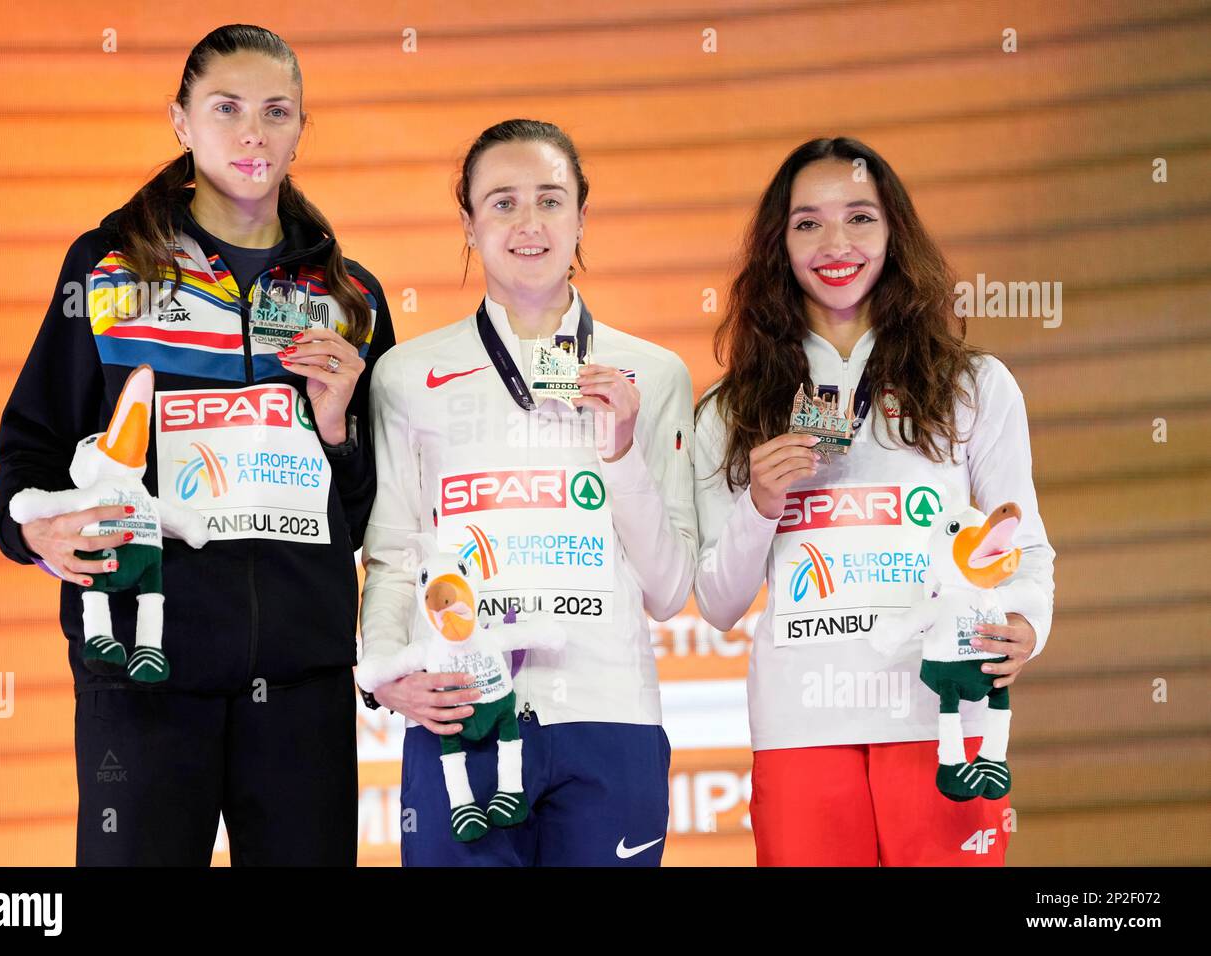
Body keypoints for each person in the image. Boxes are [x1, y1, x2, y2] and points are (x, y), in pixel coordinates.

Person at [0, 24, 395, 866]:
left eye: (277, 112)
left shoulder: (351, 296)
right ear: (180, 121)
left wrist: (336, 426)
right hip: (143, 670)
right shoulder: (105, 267)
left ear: (301, 129)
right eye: (227, 108)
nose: (253, 133)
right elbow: (27, 453)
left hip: (302, 680)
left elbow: (368, 515)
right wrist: (34, 533)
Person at [693, 137, 1055, 866]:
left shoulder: (973, 385)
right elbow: (718, 601)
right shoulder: (730, 409)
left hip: (942, 714)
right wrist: (762, 502)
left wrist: (1025, 622)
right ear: (777, 244)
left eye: (860, 217)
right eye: (808, 223)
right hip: (802, 724)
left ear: (894, 232)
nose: (836, 243)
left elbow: (1025, 546)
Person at [359, 118, 698, 866]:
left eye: (550, 199)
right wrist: (386, 677)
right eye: (503, 202)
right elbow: (389, 555)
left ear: (583, 214)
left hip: (610, 717)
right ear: (469, 223)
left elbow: (671, 589)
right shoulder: (407, 374)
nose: (529, 223)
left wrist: (619, 453)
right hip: (461, 712)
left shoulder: (655, 372)